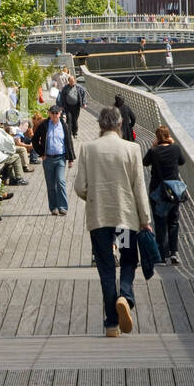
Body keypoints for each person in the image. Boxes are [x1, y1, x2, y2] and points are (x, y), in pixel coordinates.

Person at [74, 105, 152, 336]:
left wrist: (93, 197)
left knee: (106, 269)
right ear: (120, 124)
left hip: (99, 220)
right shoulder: (132, 149)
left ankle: (111, 324)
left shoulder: (88, 149)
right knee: (128, 260)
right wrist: (145, 219)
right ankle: (125, 295)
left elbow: (79, 187)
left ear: (100, 124)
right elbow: (139, 187)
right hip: (125, 220)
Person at [142, 124, 186, 266]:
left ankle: (161, 255)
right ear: (168, 136)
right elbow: (182, 161)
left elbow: (144, 162)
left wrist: (152, 146)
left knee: (160, 223)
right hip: (174, 191)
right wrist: (172, 144)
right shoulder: (175, 148)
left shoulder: (154, 151)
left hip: (157, 191)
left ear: (157, 137)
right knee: (173, 221)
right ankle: (174, 253)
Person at [31, 104, 75, 215]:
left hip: (60, 158)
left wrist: (70, 159)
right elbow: (35, 140)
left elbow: (69, 142)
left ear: (60, 114)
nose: (55, 115)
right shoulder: (44, 125)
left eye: (57, 113)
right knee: (51, 184)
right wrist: (41, 153)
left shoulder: (64, 126)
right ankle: (54, 207)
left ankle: (63, 207)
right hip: (48, 159)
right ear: (49, 114)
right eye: (53, 113)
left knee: (60, 181)